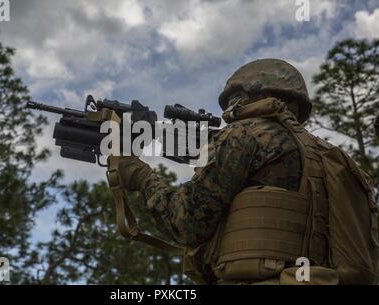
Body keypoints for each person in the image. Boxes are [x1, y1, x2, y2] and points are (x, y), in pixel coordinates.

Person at [109, 59, 378, 285]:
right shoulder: (328, 156)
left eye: (234, 100)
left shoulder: (245, 135)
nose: (228, 112)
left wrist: (140, 176)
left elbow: (184, 223)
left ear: (253, 96)